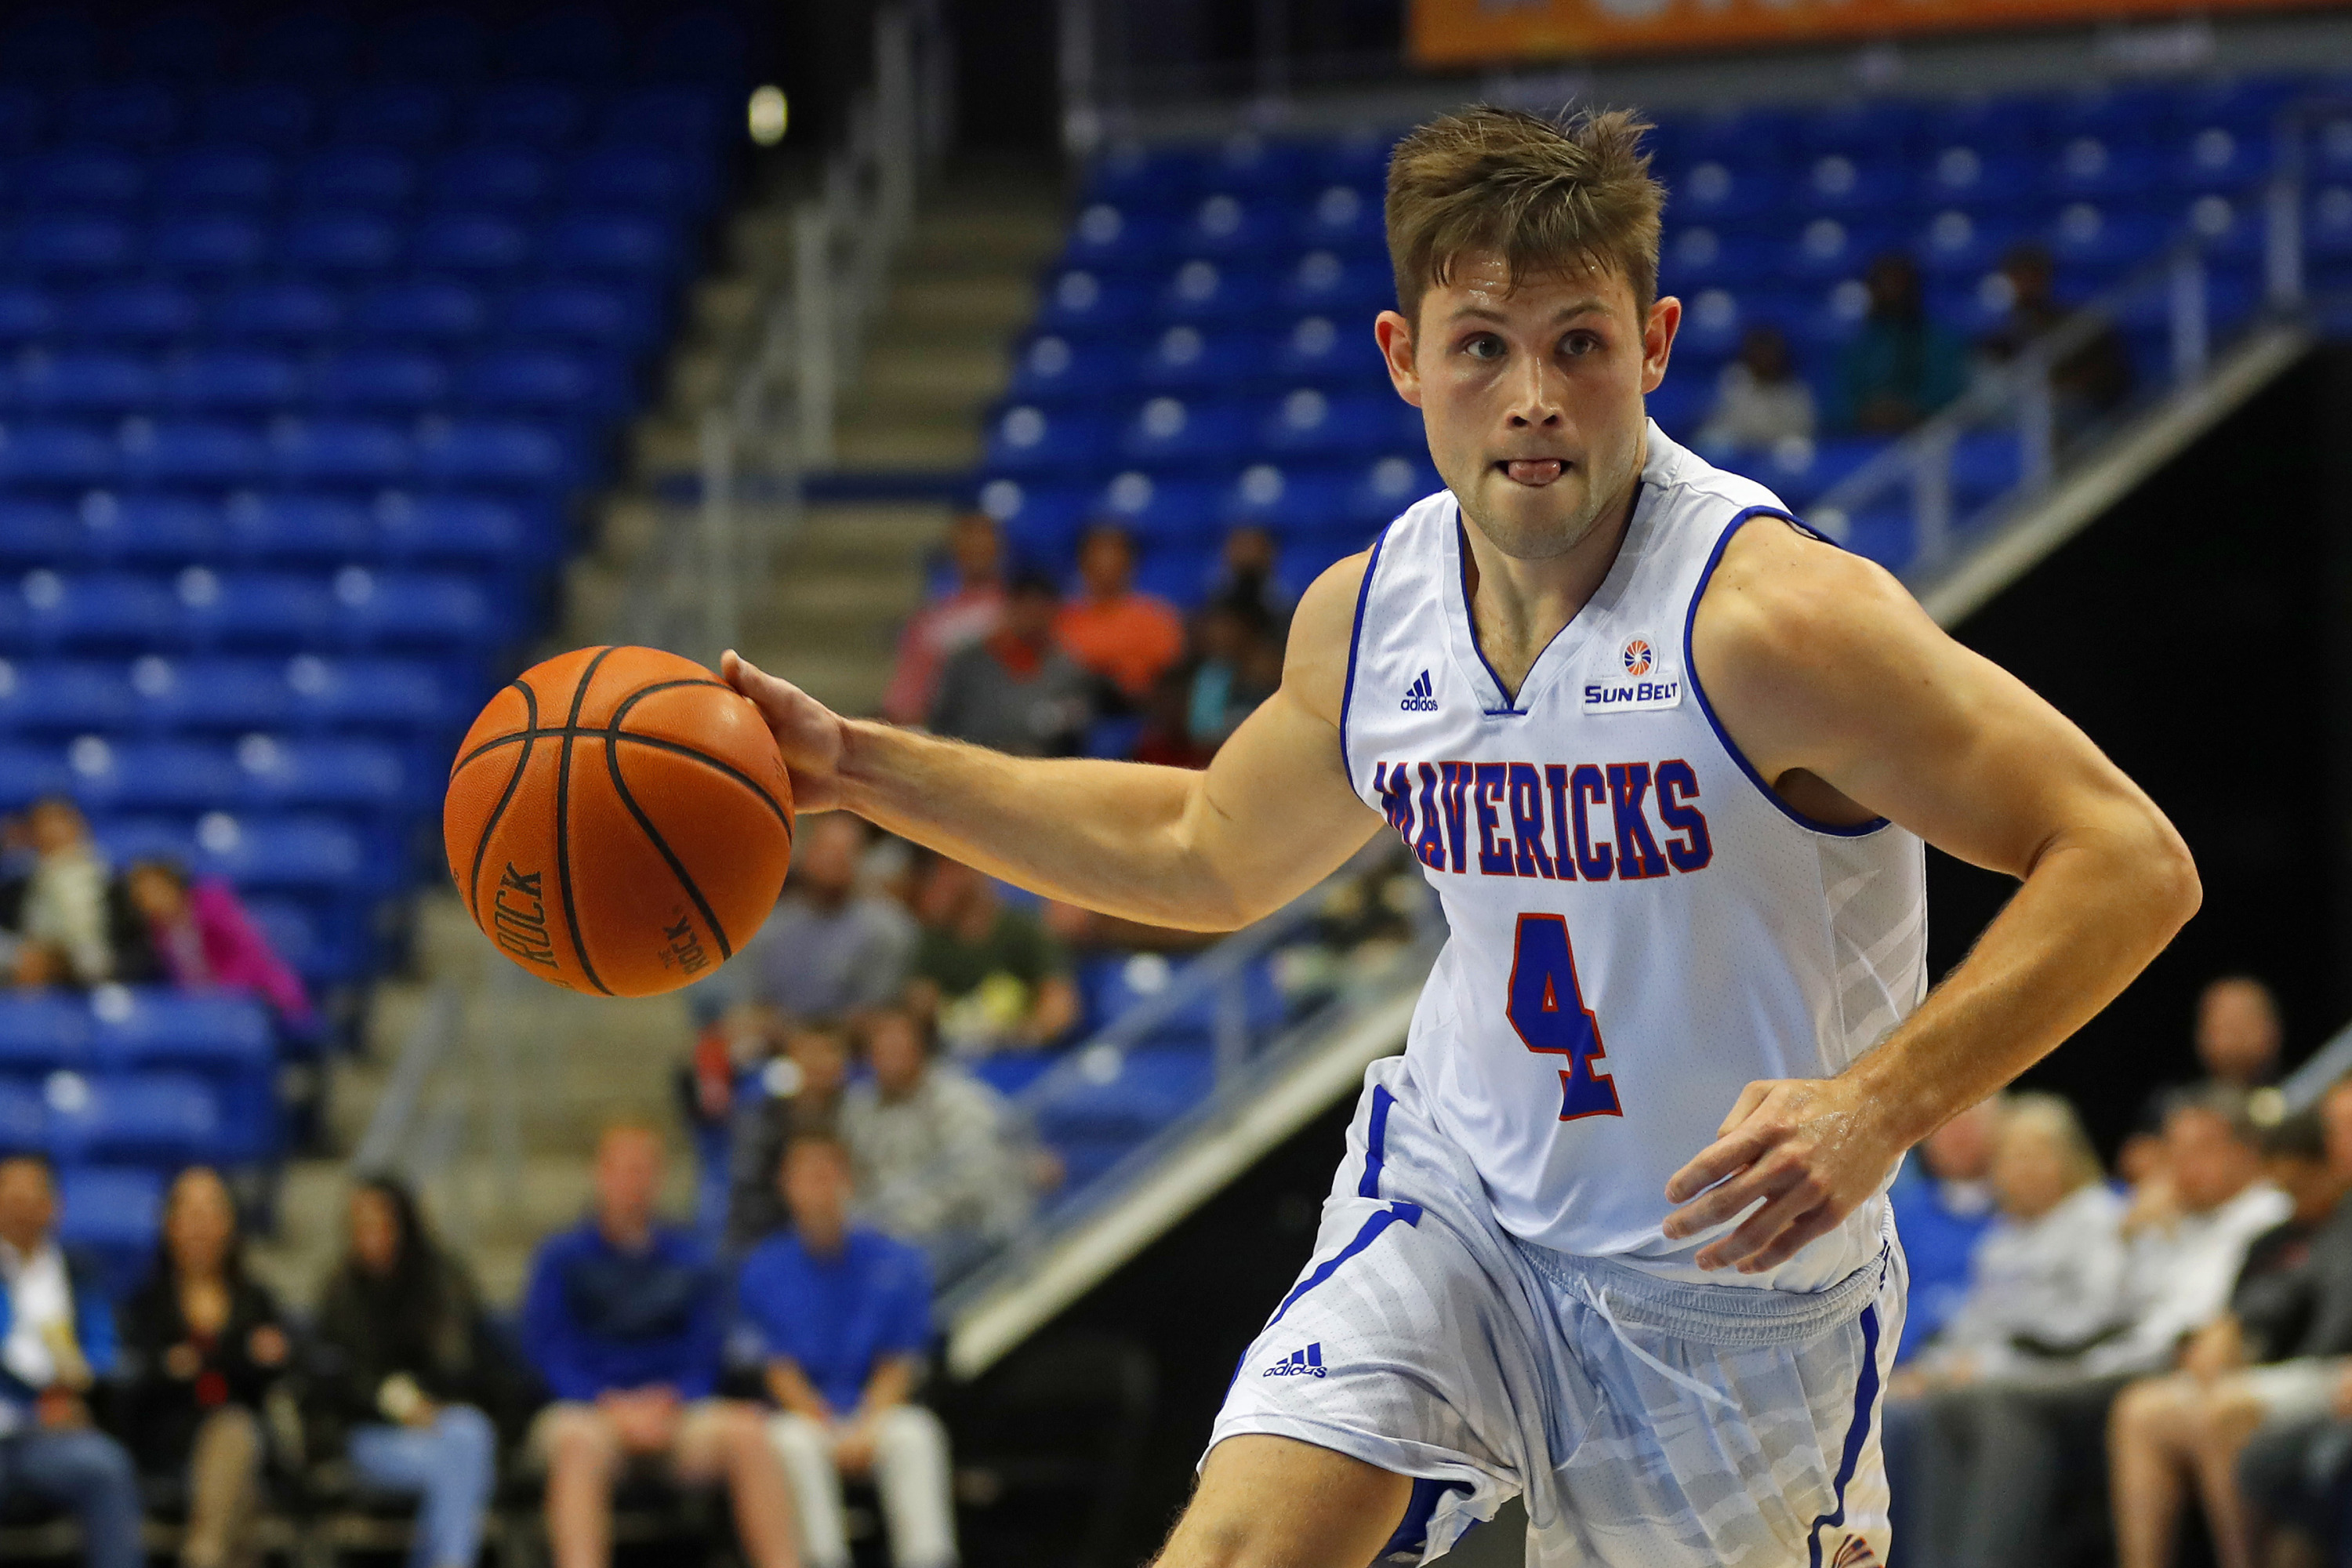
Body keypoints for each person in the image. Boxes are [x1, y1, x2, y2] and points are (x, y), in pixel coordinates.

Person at [720, 103, 2198, 1566]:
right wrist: (857, 768)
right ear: (1405, 357)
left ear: (1657, 347)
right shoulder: (1372, 617)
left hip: (1732, 1292)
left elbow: (2129, 860)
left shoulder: (1779, 622)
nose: (1534, 394)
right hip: (1463, 1201)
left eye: (1580, 343)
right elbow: (1200, 848)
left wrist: (1878, 1105)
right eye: (1485, 343)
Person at [1909, 1091, 2286, 1568]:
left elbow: (2125, 1317)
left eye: (2202, 1149)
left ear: (2244, 1153)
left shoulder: (2266, 1216)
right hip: (2122, 1354)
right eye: (2178, 1151)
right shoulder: (2176, 1216)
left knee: (2001, 1399)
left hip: (2149, 1361)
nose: (2185, 1165)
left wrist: (2131, 1239)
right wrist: (2142, 1236)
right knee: (1945, 1401)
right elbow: (2136, 1306)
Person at [521, 1123, 799, 1568]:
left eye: (643, 1171)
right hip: (591, 1412)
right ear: (600, 1175)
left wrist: (672, 1399)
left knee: (749, 1433)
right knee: (578, 1445)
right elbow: (548, 1351)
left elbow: (705, 1350)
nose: (633, 1183)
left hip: (673, 1412)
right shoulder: (560, 1257)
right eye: (623, 1170)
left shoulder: (691, 1258)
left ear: (659, 1178)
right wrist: (608, 1403)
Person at [2109, 1081, 2352, 1568]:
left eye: (2343, 1129)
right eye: (2336, 1128)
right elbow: (2288, 1290)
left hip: (2327, 1370)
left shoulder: (2290, 1211)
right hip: (2307, 1365)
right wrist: (2236, 1326)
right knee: (2141, 1410)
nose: (2336, 1141)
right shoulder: (2326, 1222)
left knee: (2226, 1410)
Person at [740, 1133, 956, 1568]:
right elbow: (775, 1365)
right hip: (803, 1413)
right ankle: (822, 1559)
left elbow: (900, 1360)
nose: (820, 1187)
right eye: (808, 1176)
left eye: (829, 1174)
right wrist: (818, 1418)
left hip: (874, 1410)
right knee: (790, 1443)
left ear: (848, 1181)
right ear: (787, 1185)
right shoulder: (764, 1267)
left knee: (917, 1433)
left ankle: (928, 1558)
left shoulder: (895, 1261)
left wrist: (867, 1424)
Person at [309, 1177, 505, 1568]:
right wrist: (402, 1406)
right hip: (369, 1435)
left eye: (381, 1223)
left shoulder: (443, 1283)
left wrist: (433, 1406)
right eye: (360, 1225)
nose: (372, 1235)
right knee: (466, 1466)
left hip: (444, 1425)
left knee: (470, 1433)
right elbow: (338, 1383)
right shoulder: (340, 1293)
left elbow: (473, 1367)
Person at [113, 1166, 294, 1568]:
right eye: (190, 1213)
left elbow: (280, 1370)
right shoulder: (142, 1305)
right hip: (171, 1445)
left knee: (234, 1433)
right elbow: (132, 1384)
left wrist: (202, 1363)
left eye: (212, 1212)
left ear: (231, 1225)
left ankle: (203, 1554)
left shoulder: (258, 1300)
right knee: (241, 1488)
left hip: (248, 1439)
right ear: (169, 1224)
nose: (201, 1227)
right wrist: (227, 1359)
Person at [0, 1154, 139, 1568]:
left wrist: (79, 1389)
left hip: (53, 1440)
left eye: (33, 1195)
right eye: (11, 1194)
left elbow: (104, 1353)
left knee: (107, 1468)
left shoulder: (78, 1273)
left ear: (54, 1206)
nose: (22, 1205)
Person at [840, 1004, 1037, 1272]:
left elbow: (972, 1186)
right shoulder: (857, 1108)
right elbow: (851, 1179)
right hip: (885, 1237)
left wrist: (894, 1225)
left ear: (920, 1049)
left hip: (965, 1232)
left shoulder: (961, 1102)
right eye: (879, 1047)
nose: (887, 1056)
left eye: (897, 1046)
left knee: (894, 1273)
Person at [710, 817, 917, 1025]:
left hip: (855, 1049)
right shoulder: (766, 926)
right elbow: (749, 1004)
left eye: (844, 854)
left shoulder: (889, 930)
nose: (834, 863)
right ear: (806, 854)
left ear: (861, 859)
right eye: (827, 852)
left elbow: (879, 1012)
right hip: (776, 1045)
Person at [118, 860, 314, 1033]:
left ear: (172, 884)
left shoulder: (212, 905)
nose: (144, 900)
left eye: (150, 890)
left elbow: (251, 957)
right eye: (139, 895)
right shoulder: (158, 929)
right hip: (201, 1011)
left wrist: (220, 998)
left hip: (257, 998)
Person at [908, 855, 1076, 1055]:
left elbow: (1060, 1006)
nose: (947, 879)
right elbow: (919, 1005)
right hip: (956, 1059)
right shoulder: (934, 940)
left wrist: (1015, 1034)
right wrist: (952, 1020)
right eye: (941, 870)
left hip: (1022, 1057)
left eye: (958, 868)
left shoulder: (1023, 930)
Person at [1886, 1094, 2003, 1362]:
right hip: (1917, 1369)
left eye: (1970, 1125)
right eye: (1948, 1126)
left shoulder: (2027, 1206)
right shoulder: (1897, 1217)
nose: (1959, 1137)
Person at [927, 570, 1092, 757]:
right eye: (1026, 608)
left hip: (1043, 771)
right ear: (1009, 608)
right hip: (972, 765)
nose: (1032, 618)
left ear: (1054, 613)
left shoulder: (1069, 670)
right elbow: (940, 724)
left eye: (1040, 610)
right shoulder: (966, 663)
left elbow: (1076, 732)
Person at [1975, 242, 2131, 434]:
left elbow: (2108, 378)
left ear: (2045, 277)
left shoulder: (2079, 323)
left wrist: (2056, 392)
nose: (2024, 285)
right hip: (2018, 414)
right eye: (2017, 277)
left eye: (2031, 276)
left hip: (2079, 416)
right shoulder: (2001, 337)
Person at [726, 1022, 855, 1252]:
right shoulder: (761, 1119)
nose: (818, 1062)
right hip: (772, 1234)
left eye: (828, 1051)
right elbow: (750, 1195)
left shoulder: (857, 1112)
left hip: (846, 1232)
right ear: (791, 1059)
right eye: (808, 1052)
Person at [882, 511, 1007, 727]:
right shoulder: (929, 619)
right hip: (941, 726)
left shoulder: (1015, 611)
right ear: (955, 549)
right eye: (969, 542)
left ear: (999, 548)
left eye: (984, 543)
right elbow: (904, 699)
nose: (977, 550)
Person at [1051, 522, 1186, 704]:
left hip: (1141, 713)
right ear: (1082, 562)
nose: (1107, 562)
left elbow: (1166, 670)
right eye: (1098, 553)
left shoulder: (1157, 617)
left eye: (1115, 552)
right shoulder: (1061, 619)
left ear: (1131, 562)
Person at [1835, 252, 1967, 435]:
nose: (1893, 292)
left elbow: (1951, 393)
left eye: (1899, 284)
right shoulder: (1852, 345)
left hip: (1927, 436)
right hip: (1860, 439)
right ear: (1872, 290)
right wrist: (1868, 413)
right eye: (1885, 284)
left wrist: (1908, 411)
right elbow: (1834, 400)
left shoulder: (1941, 341)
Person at [2, 798, 114, 985]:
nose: (49, 832)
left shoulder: (108, 880)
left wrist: (59, 957)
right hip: (27, 961)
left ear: (78, 826)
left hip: (87, 963)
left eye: (57, 823)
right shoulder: (17, 882)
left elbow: (114, 945)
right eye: (41, 825)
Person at [1695, 324, 1817, 454]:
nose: (1764, 359)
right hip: (1737, 449)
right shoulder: (1733, 380)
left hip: (1774, 453)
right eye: (1759, 352)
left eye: (1769, 353)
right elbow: (1717, 421)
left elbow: (1801, 432)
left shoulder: (1795, 393)